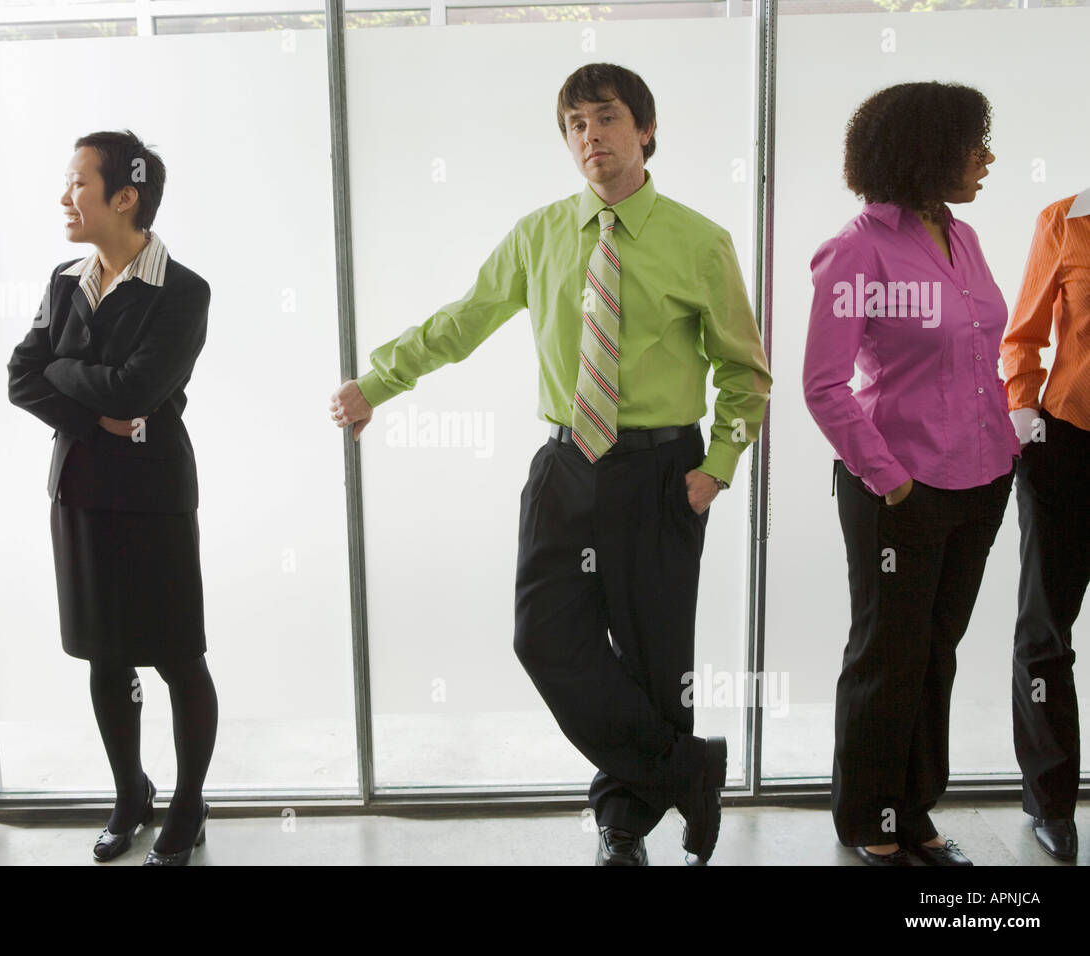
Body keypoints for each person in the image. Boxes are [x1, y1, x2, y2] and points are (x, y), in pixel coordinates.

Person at [329, 63, 770, 866]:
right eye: (574, 124)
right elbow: (464, 320)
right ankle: (687, 771)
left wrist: (718, 464)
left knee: (653, 658)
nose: (589, 137)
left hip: (661, 471)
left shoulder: (700, 242)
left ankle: (622, 825)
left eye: (605, 118)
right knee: (543, 637)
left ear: (644, 130)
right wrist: (377, 383)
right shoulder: (539, 234)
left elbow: (744, 370)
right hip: (566, 466)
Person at [803, 82, 1017, 867]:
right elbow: (823, 385)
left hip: (981, 478)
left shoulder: (962, 237)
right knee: (888, 655)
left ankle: (915, 809)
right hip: (901, 489)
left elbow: (980, 354)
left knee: (937, 652)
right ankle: (869, 819)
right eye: (972, 143)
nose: (985, 158)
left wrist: (1007, 447)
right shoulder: (858, 249)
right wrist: (891, 479)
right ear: (925, 151)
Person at [7, 130, 215, 866]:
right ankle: (132, 793)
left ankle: (189, 805)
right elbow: (20, 377)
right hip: (82, 490)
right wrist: (94, 409)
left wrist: (69, 374)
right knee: (105, 657)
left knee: (177, 656)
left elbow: (140, 388)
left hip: (153, 494)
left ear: (124, 197)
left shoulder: (183, 291)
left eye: (77, 184)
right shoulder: (66, 279)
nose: (65, 197)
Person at [1000, 187, 1090, 863]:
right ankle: (1051, 802)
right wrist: (1028, 424)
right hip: (1069, 447)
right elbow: (1023, 334)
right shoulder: (1064, 220)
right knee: (1045, 631)